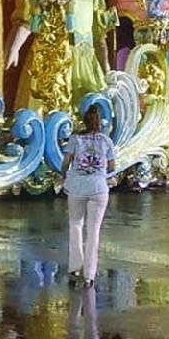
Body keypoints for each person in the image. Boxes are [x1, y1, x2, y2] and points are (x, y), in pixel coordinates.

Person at [63, 104, 117, 286]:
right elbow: (112, 166)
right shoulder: (106, 141)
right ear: (99, 123)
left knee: (75, 225)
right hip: (98, 188)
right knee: (94, 231)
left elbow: (66, 163)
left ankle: (75, 267)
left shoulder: (75, 139)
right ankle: (89, 275)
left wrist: (64, 173)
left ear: (84, 121)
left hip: (77, 187)